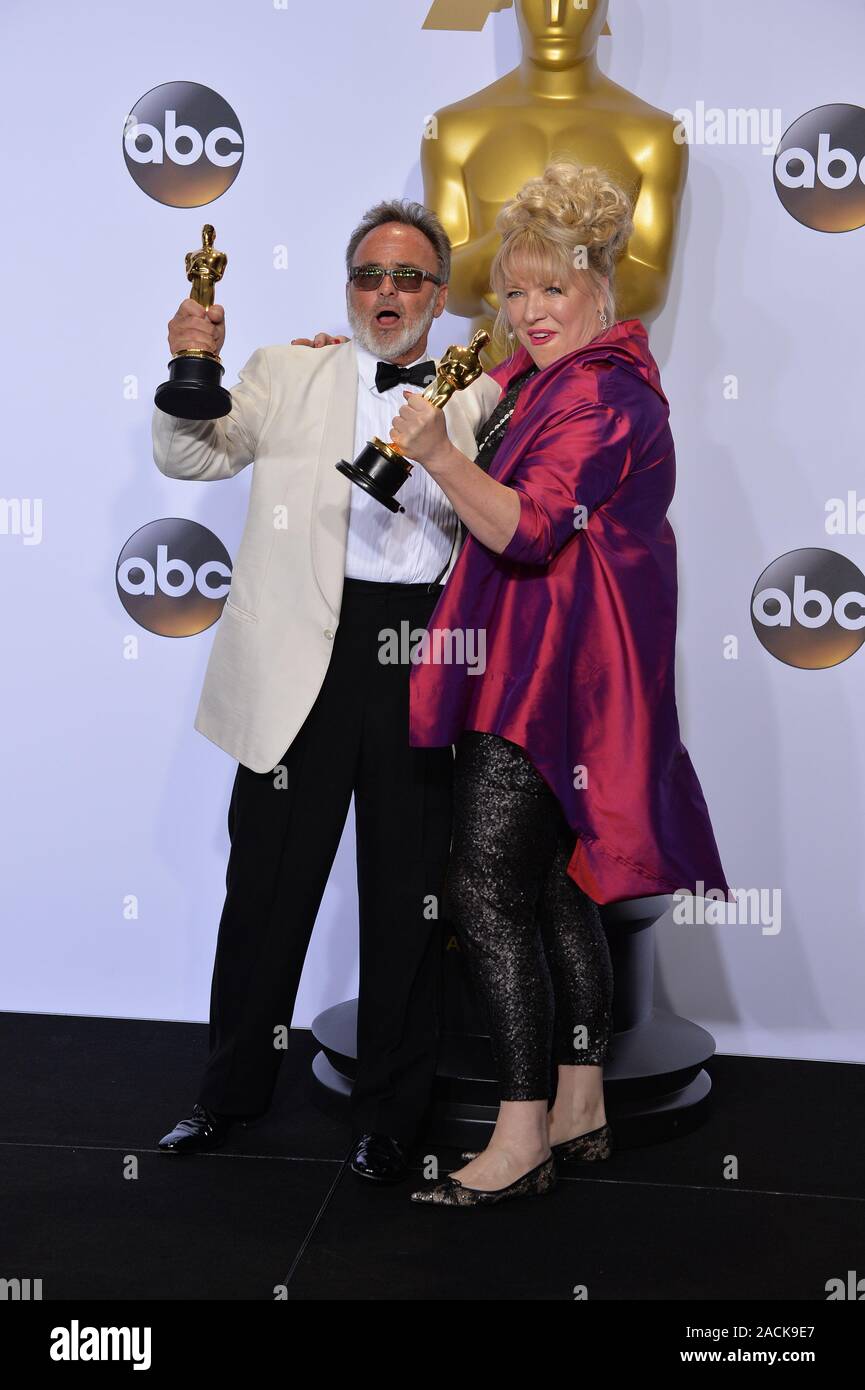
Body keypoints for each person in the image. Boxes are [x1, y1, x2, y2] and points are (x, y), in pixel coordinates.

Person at [382, 160, 730, 1207]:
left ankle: (519, 1132)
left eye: (553, 289)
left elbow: (530, 530)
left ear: (599, 286)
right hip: (553, 667)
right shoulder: (563, 379)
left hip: (548, 683)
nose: (529, 312)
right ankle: (580, 1106)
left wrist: (441, 457)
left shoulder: (602, 396)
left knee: (485, 893)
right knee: (553, 887)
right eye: (515, 289)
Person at [152, 199, 501, 1182]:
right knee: (263, 894)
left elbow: (512, 529)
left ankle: (393, 1121)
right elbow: (187, 454)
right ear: (347, 287)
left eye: (406, 278)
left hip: (418, 654)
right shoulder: (284, 368)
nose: (384, 294)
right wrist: (192, 365)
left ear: (438, 295)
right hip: (300, 660)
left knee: (407, 901)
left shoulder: (482, 395)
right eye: (367, 276)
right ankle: (226, 1094)